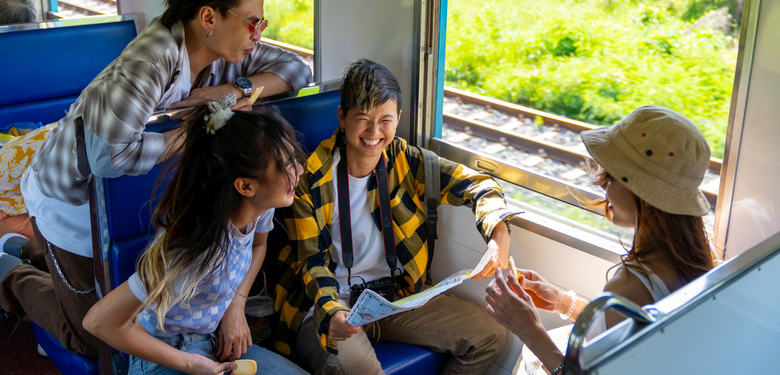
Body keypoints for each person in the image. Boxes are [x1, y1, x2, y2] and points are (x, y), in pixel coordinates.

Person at [0, 0, 311, 357]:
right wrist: (194, 129)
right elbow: (110, 157)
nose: (260, 34)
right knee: (93, 340)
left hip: (132, 197)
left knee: (126, 310)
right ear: (209, 17)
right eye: (253, 22)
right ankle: (11, 273)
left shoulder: (227, 53)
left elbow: (297, 68)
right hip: (70, 197)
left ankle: (31, 252)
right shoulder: (151, 59)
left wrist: (232, 90)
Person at [274, 59, 518, 375]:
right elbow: (312, 262)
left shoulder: (409, 162)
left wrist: (499, 234)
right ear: (342, 118)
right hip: (333, 306)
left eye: (385, 120)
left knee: (490, 334)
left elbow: (477, 184)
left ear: (398, 118)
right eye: (362, 119)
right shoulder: (310, 178)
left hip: (396, 299)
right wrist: (332, 312)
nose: (374, 132)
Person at [485, 106, 716, 375]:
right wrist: (562, 302)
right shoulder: (696, 257)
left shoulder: (631, 286)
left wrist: (530, 330)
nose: (602, 187)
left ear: (645, 195)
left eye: (610, 178)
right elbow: (624, 330)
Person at [83, 97, 307, 375]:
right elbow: (99, 321)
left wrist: (235, 306)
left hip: (210, 338)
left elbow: (259, 245)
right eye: (286, 166)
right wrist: (190, 363)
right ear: (246, 185)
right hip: (162, 352)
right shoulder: (193, 246)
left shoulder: (259, 208)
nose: (300, 170)